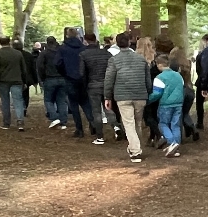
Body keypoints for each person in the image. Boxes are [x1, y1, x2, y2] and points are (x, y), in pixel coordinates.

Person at [103, 33, 149, 161]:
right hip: (140, 95)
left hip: (123, 96)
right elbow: (147, 79)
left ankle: (135, 151)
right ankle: (136, 147)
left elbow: (109, 79)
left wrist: (107, 97)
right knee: (137, 123)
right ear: (129, 42)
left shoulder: (114, 60)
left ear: (117, 43)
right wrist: (148, 93)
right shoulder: (141, 59)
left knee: (128, 123)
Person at [148, 54, 187, 157]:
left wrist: (148, 100)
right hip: (178, 103)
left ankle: (171, 142)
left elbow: (157, 93)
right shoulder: (178, 75)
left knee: (163, 124)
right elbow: (183, 88)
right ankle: (176, 147)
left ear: (159, 64)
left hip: (166, 104)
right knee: (175, 125)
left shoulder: (159, 77)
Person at [0, 35, 32, 130]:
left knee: (5, 102)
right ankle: (20, 121)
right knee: (18, 101)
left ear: (0, 43)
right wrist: (25, 81)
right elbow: (23, 69)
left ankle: (6, 123)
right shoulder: (18, 54)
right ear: (9, 42)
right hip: (17, 80)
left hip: (3, 81)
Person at [79, 33, 110, 145]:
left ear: (86, 41)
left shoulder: (83, 54)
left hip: (92, 86)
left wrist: (85, 85)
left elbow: (82, 73)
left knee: (96, 111)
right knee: (109, 109)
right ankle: (117, 128)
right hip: (106, 84)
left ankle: (100, 136)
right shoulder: (106, 53)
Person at [39, 35, 69, 130]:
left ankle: (54, 117)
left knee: (48, 100)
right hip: (62, 79)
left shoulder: (44, 53)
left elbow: (40, 67)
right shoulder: (62, 53)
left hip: (50, 78)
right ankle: (63, 122)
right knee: (62, 101)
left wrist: (42, 78)